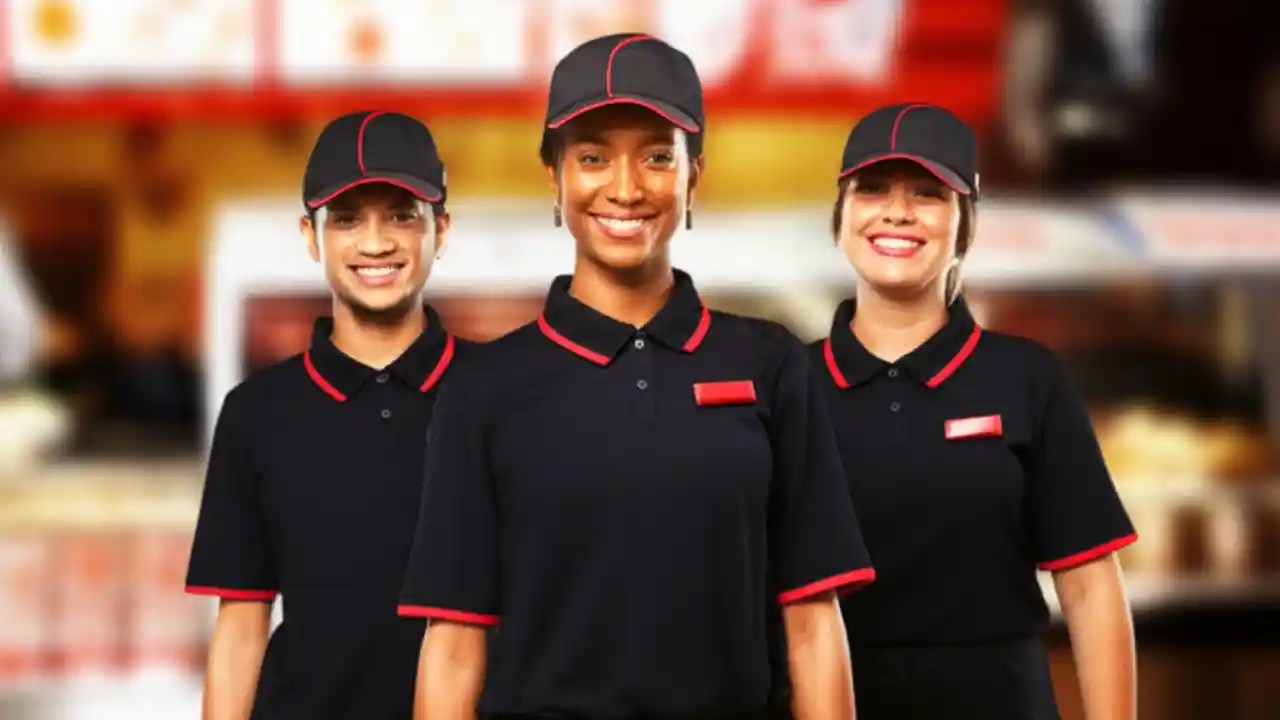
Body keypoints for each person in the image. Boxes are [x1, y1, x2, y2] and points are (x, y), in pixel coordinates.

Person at [399, 33, 873, 720]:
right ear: (555, 177)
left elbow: (812, 620)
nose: (624, 188)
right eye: (593, 157)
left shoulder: (772, 366)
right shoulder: (484, 389)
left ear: (693, 177)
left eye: (656, 157)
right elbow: (452, 643)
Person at [813, 102, 1138, 719]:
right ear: (840, 216)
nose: (898, 211)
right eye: (872, 189)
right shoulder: (789, 384)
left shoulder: (1026, 377)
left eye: (928, 193)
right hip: (834, 696)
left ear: (965, 224)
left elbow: (1092, 588)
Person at [185, 110, 466, 719]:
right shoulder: (257, 414)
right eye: (346, 220)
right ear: (311, 237)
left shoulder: (498, 395)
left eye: (401, 215)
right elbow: (240, 622)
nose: (375, 242)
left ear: (439, 232)